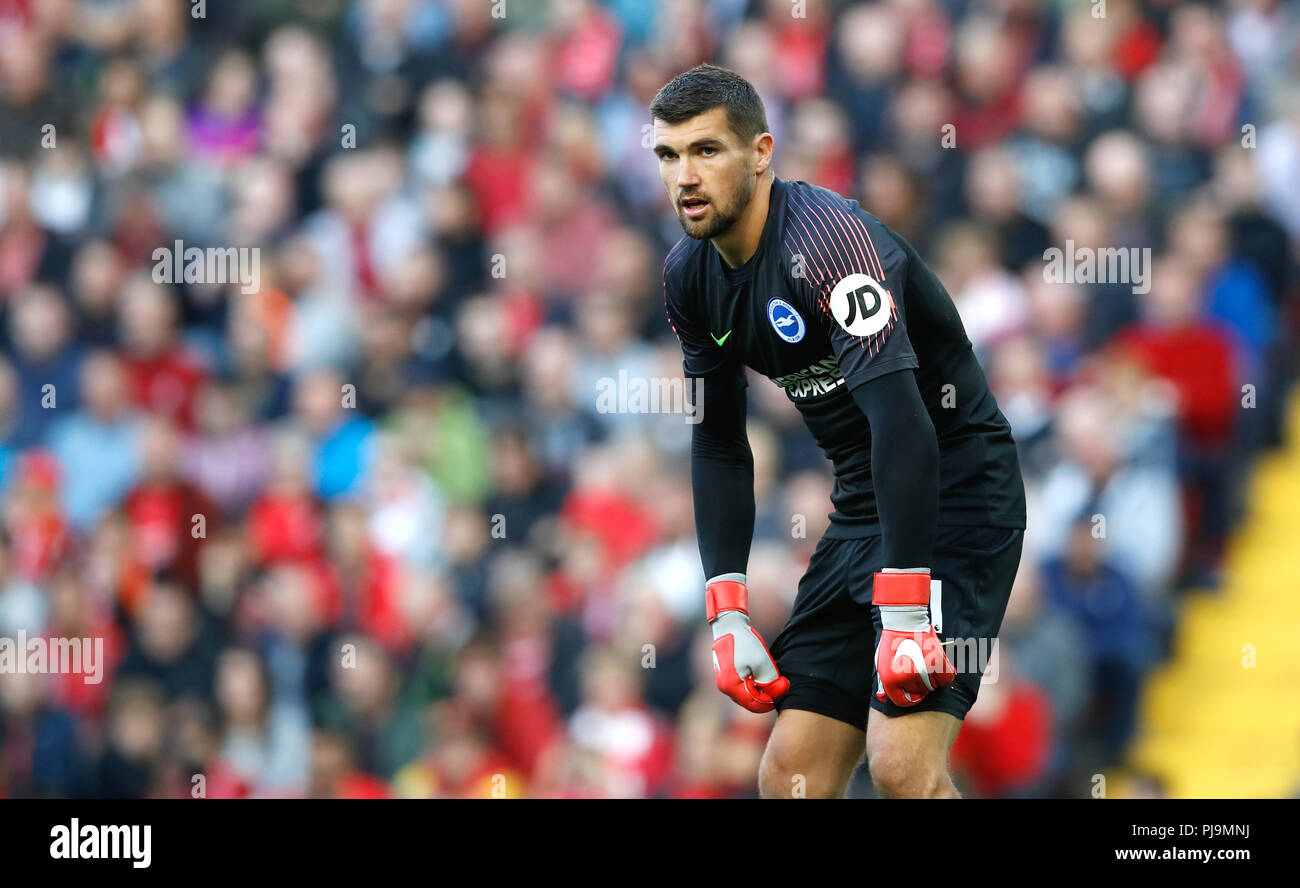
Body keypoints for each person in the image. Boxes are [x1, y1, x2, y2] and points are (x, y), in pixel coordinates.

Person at [653, 65, 1026, 798]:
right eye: (668, 156)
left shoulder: (829, 247)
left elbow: (904, 423)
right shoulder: (687, 277)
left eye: (706, 151)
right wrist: (726, 610)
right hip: (864, 501)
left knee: (900, 766)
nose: (684, 176)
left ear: (761, 152)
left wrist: (909, 605)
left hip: (955, 491)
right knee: (789, 774)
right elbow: (719, 440)